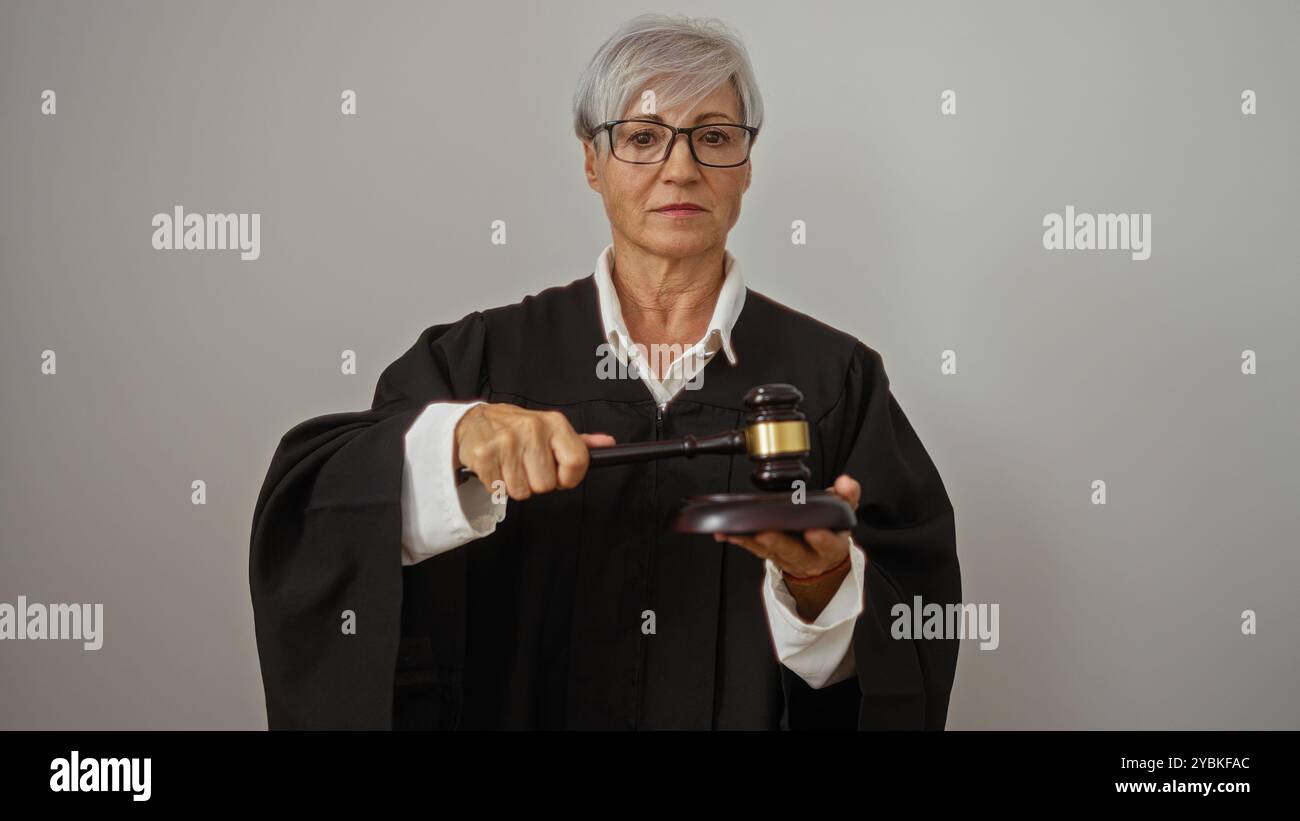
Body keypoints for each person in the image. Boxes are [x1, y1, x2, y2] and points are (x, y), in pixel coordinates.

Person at [249, 13, 960, 730]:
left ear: (746, 164)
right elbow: (321, 510)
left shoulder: (835, 381)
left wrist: (823, 585)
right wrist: (456, 444)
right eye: (643, 137)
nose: (680, 168)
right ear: (592, 161)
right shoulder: (481, 363)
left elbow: (913, 626)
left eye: (713, 137)